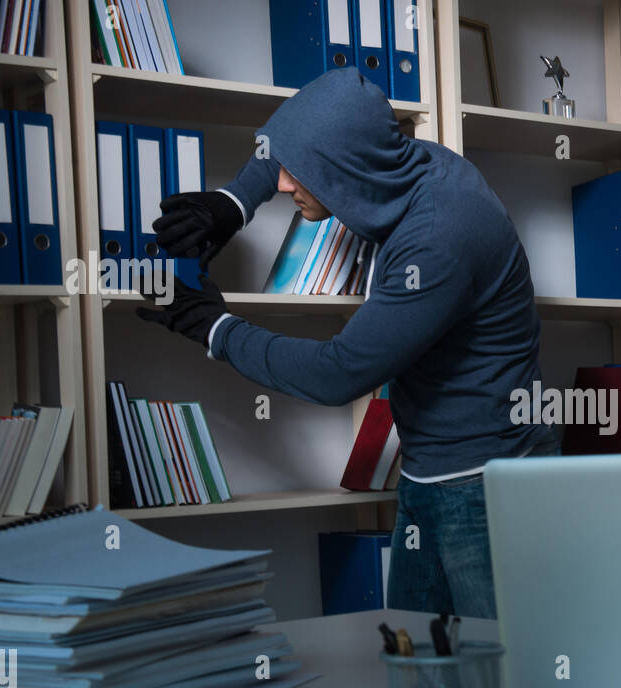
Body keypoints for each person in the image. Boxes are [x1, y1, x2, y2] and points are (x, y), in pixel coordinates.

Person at [140, 68, 557, 619]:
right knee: (417, 677)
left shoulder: (439, 235)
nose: (284, 184)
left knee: (506, 685)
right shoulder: (405, 162)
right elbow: (301, 142)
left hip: (487, 489)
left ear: (341, 170)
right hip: (429, 474)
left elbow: (338, 374)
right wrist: (232, 202)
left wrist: (214, 328)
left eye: (297, 174)